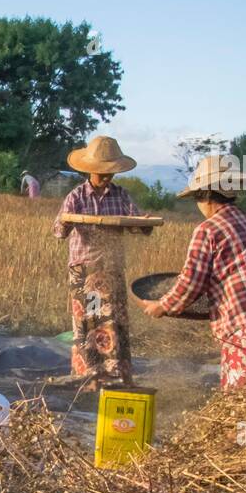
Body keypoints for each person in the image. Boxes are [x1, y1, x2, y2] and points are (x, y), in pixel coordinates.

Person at [140, 155, 246, 389]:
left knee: (245, 396)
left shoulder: (209, 229)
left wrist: (162, 305)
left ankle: (243, 428)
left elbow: (192, 283)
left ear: (205, 196)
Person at [51, 136, 152, 390]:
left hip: (111, 269)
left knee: (115, 322)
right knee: (91, 319)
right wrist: (66, 220)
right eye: (102, 174)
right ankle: (91, 375)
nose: (107, 178)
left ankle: (118, 372)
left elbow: (138, 224)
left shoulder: (120, 195)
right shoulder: (76, 196)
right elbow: (58, 231)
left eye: (111, 174)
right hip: (86, 272)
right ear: (90, 170)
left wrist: (144, 223)